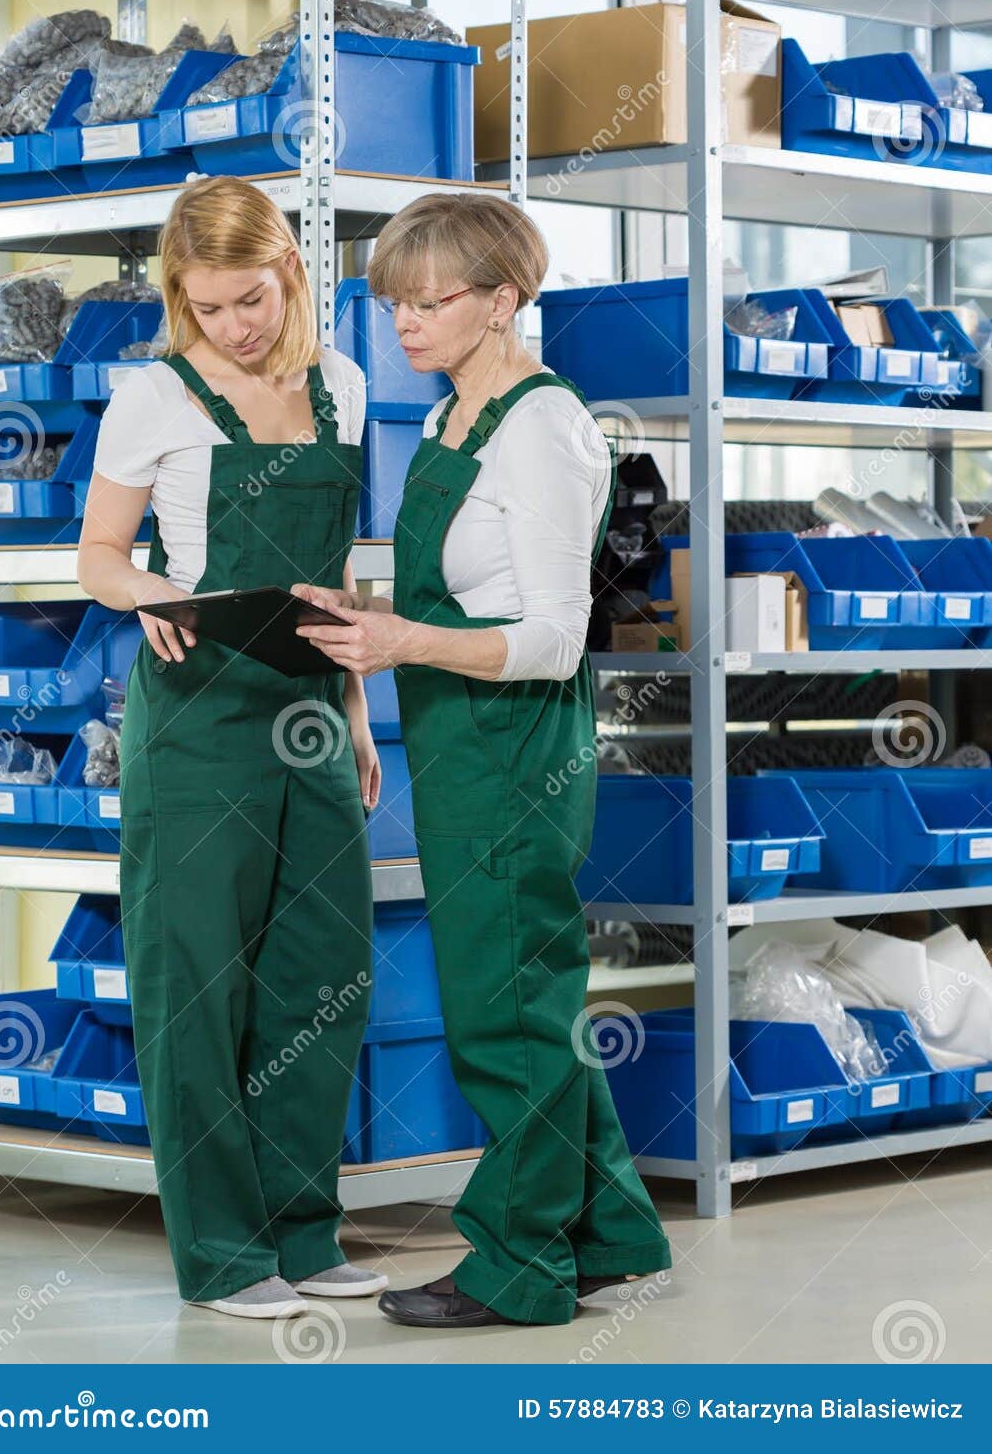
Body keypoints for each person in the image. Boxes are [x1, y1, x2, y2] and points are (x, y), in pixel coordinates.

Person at [294, 192, 671, 1329]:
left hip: (514, 748)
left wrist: (402, 639)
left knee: (504, 1016)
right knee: (523, 1001)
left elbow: (556, 634)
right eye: (390, 301)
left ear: (502, 300)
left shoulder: (541, 427)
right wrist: (367, 612)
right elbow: (462, 586)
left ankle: (515, 1267)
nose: (402, 322)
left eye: (428, 300)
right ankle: (604, 1232)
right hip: (458, 740)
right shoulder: (455, 415)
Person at [78, 175, 386, 1320]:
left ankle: (303, 1233)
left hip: (307, 713)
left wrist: (354, 711)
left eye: (250, 299)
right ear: (180, 301)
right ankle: (220, 1253)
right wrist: (149, 587)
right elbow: (98, 551)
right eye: (208, 308)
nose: (235, 325)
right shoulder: (151, 398)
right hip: (198, 708)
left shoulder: (343, 386)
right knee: (195, 988)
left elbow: (341, 571)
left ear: (292, 272)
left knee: (320, 972)